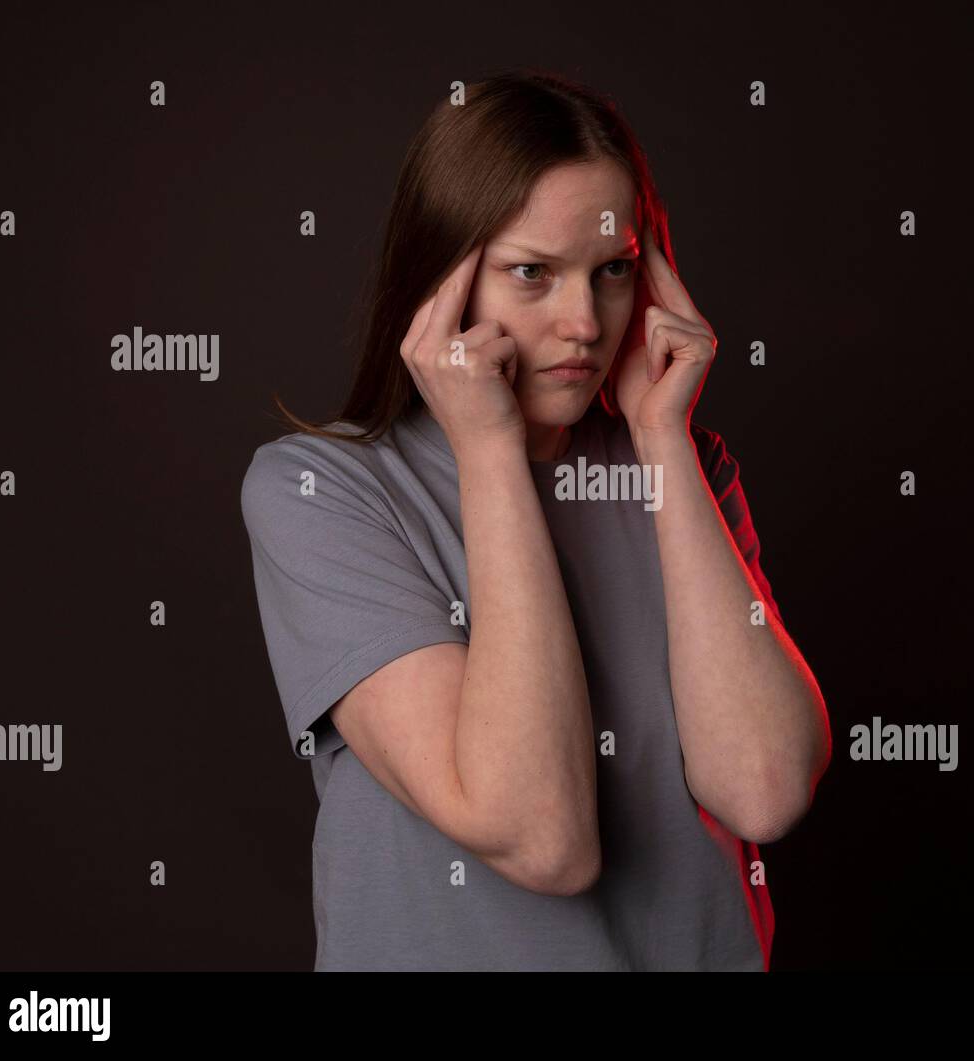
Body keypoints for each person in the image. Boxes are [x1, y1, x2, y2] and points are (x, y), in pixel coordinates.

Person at [240, 69, 831, 971]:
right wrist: (489, 452)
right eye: (532, 272)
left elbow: (765, 788)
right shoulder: (321, 492)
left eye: (614, 271)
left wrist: (662, 438)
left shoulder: (686, 469)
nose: (584, 322)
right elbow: (542, 835)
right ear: (441, 284)